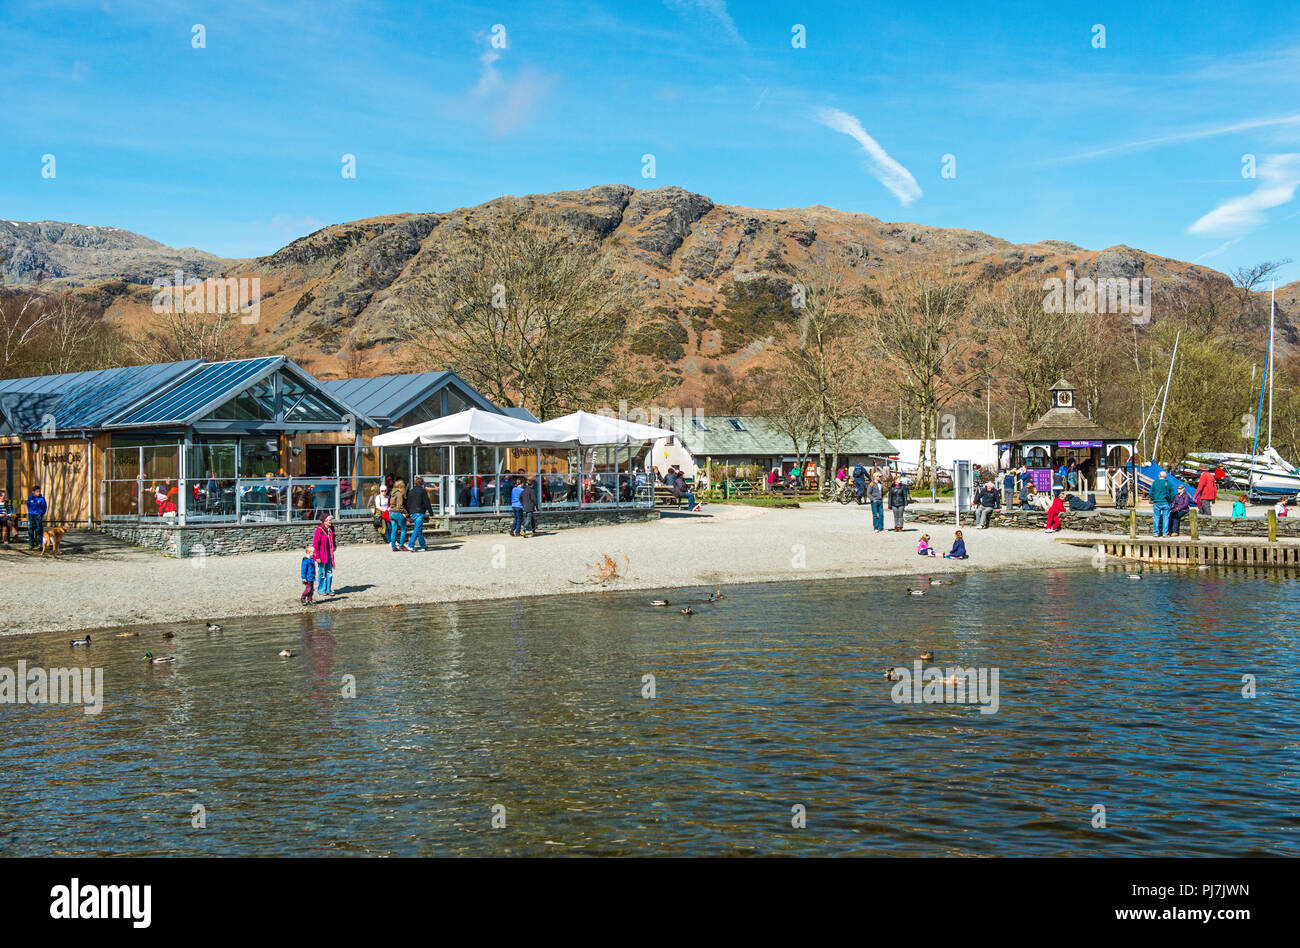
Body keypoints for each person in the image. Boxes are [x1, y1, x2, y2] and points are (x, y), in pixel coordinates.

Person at [313, 515, 336, 596]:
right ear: (324, 521)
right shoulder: (319, 530)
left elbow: (333, 539)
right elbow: (316, 544)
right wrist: (317, 557)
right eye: (329, 520)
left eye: (331, 520)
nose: (331, 521)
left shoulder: (331, 529)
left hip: (329, 554)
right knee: (322, 572)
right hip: (322, 555)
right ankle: (321, 590)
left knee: (329, 572)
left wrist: (334, 546)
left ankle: (328, 589)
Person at [407, 476, 431, 551]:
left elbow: (408, 503)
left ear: (415, 483)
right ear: (422, 483)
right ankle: (411, 545)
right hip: (419, 512)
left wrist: (408, 513)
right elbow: (427, 502)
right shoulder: (423, 491)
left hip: (412, 513)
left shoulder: (411, 491)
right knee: (417, 529)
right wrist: (431, 513)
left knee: (419, 529)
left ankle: (423, 545)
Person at [1149, 470, 1175, 537]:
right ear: (1165, 477)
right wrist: (1171, 501)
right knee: (1166, 518)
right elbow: (1172, 494)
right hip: (1166, 502)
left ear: (1159, 476)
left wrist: (1153, 499)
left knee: (1156, 518)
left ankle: (1156, 533)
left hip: (1157, 502)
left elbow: (1151, 493)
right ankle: (1165, 533)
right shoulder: (1169, 483)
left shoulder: (1155, 483)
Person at [389, 477, 409, 550]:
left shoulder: (392, 493)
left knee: (394, 530)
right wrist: (405, 513)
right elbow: (400, 506)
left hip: (391, 513)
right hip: (397, 513)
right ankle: (401, 545)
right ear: (401, 487)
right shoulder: (399, 494)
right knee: (404, 529)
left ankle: (393, 546)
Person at [25, 484, 46, 550]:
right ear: (33, 492)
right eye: (37, 491)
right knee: (30, 529)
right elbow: (28, 505)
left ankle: (39, 544)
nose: (39, 493)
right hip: (31, 515)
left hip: (38, 516)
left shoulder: (42, 499)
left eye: (39, 491)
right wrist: (31, 511)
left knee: (38, 530)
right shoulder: (30, 498)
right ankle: (31, 544)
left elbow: (44, 507)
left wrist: (41, 514)